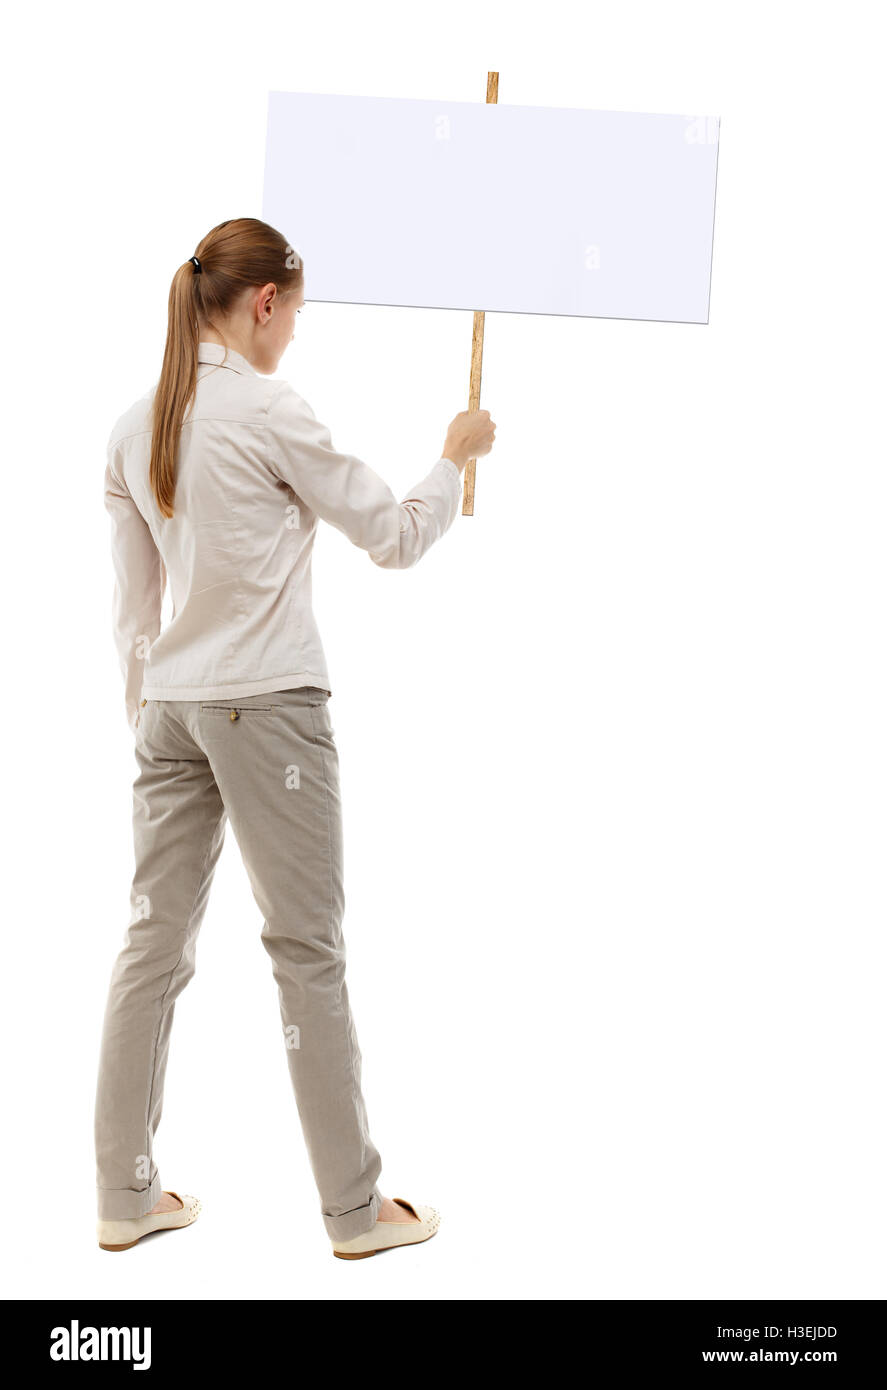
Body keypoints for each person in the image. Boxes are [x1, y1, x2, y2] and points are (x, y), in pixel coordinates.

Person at [94, 216, 496, 1259]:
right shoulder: (270, 413)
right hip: (267, 708)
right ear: (265, 301)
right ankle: (355, 1212)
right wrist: (452, 459)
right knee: (306, 953)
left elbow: (134, 615)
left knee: (151, 946)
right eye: (294, 314)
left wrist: (148, 713)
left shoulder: (134, 428)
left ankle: (124, 1193)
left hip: (169, 711)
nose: (292, 335)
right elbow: (395, 538)